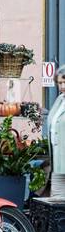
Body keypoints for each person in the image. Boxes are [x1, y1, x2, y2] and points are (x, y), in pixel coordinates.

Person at [48, 69, 65, 198]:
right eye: (59, 83)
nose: (62, 87)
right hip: (58, 162)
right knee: (57, 203)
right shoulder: (60, 99)